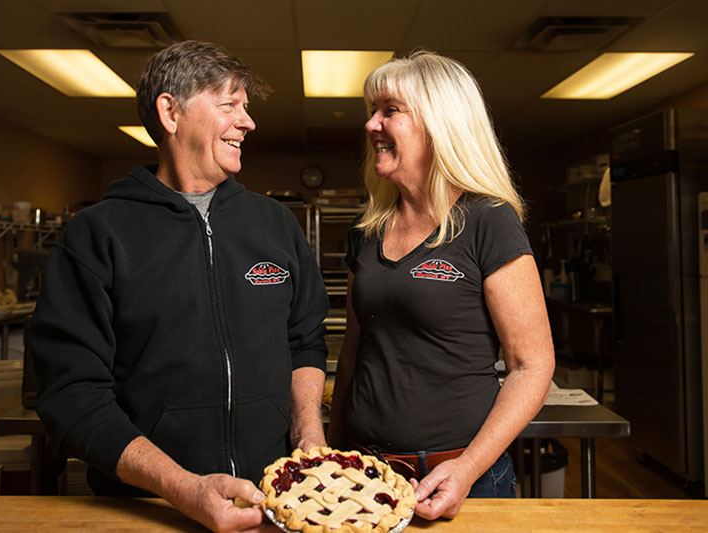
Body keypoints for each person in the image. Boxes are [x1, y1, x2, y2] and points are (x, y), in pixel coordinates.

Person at [29, 40, 329, 532]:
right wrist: (183, 488)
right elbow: (71, 396)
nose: (248, 122)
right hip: (150, 509)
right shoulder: (97, 235)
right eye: (229, 105)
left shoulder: (275, 224)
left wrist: (308, 434)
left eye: (246, 108)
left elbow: (305, 340)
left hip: (272, 502)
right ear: (170, 113)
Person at [327, 50, 555, 520]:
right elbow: (354, 346)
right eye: (372, 111)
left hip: (455, 477)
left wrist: (468, 468)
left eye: (390, 111)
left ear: (439, 124)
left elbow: (532, 365)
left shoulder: (488, 221)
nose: (372, 125)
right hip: (362, 471)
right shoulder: (365, 231)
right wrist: (333, 444)